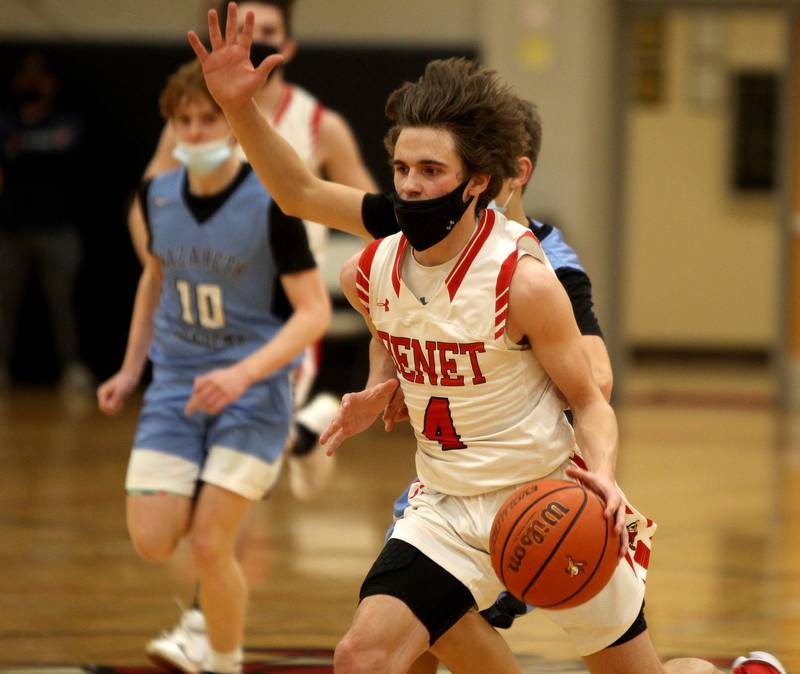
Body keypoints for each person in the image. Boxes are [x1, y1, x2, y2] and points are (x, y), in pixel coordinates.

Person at [188, 7, 788, 674]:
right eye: (402, 168)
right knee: (362, 656)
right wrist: (239, 107)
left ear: (479, 182)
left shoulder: (525, 279)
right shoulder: (381, 254)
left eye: (431, 172)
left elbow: (591, 399)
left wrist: (608, 479)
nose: (411, 185)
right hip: (444, 508)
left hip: (544, 498)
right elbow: (299, 192)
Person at [137, 3, 378, 669]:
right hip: (202, 326)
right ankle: (304, 435)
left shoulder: (319, 124)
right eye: (242, 29)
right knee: (225, 475)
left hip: (279, 320)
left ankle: (199, 626)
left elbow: (381, 219)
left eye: (265, 33)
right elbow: (148, 198)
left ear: (286, 45)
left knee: (225, 484)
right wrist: (162, 259)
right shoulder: (195, 108)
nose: (252, 42)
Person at [96, 58, 330, 674]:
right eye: (184, 122)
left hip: (250, 389)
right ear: (170, 129)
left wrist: (242, 375)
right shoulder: (157, 195)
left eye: (208, 119)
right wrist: (130, 370)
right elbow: (155, 280)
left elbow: (312, 314)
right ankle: (300, 438)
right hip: (175, 385)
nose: (195, 132)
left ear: (232, 125)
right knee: (152, 541)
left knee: (209, 544)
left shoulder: (273, 200)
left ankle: (222, 662)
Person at [0, 51, 94, 392]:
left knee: (63, 303)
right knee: (4, 302)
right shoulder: (7, 123)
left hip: (58, 228)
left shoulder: (67, 122)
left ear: (52, 83)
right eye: (26, 75)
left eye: (40, 76)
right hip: (11, 229)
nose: (32, 83)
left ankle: (72, 367)